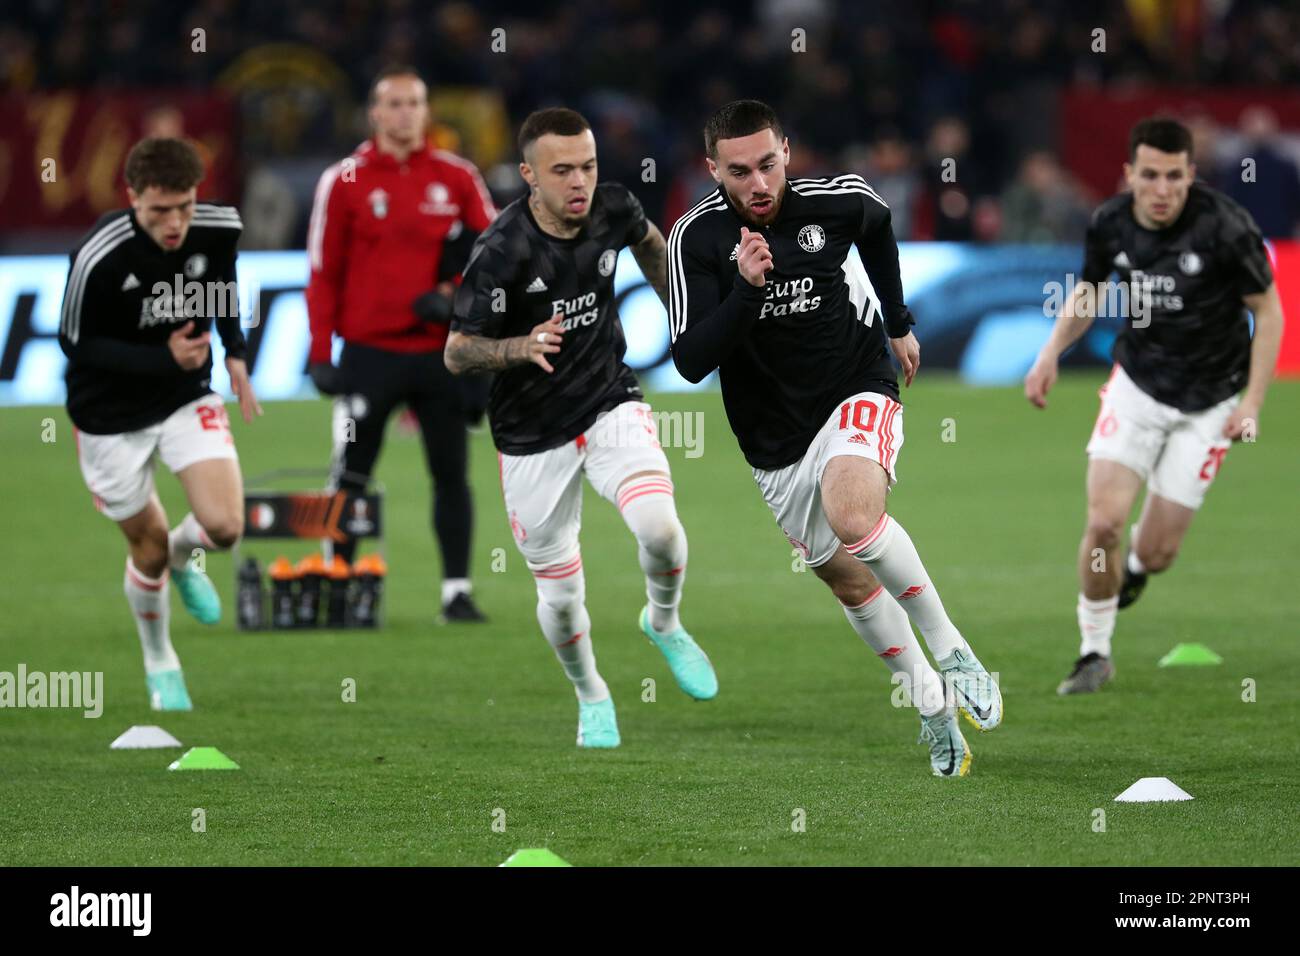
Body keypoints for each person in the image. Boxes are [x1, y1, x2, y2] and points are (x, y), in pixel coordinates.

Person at [668, 100, 1001, 778]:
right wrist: (746, 290)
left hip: (856, 382)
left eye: (768, 163)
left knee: (854, 516)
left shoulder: (838, 201)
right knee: (849, 583)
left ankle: (953, 647)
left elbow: (878, 229)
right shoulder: (696, 240)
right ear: (713, 170)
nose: (759, 183)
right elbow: (691, 359)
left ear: (787, 151)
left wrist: (900, 322)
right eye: (740, 171)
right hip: (773, 440)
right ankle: (929, 701)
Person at [445, 107, 717, 748]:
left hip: (607, 400)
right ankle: (591, 691)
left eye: (588, 166)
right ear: (529, 176)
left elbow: (651, 243)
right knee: (563, 598)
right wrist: (519, 347)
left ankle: (664, 621)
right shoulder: (501, 250)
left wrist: (683, 313)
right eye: (561, 170)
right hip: (529, 433)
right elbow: (458, 351)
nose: (579, 182)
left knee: (661, 529)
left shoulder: (613, 209)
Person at [1025, 117, 1284, 695]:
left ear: (1191, 175)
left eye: (1174, 176)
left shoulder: (1224, 227)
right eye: (1149, 175)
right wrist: (1049, 355)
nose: (1162, 189)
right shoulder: (1111, 223)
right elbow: (1089, 291)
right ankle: (1094, 650)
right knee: (1103, 522)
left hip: (1211, 402)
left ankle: (1137, 571)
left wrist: (1252, 403)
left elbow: (1268, 311)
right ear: (1129, 175)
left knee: (1160, 552)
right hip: (1137, 386)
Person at [59, 137, 262, 711]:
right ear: (132, 199)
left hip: (181, 397)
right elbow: (72, 341)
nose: (175, 224)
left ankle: (183, 555)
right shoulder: (99, 253)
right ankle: (159, 658)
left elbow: (222, 282)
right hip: (107, 417)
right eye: (160, 211)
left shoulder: (219, 225)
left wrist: (236, 352)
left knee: (224, 527)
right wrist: (160, 358)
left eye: (185, 207)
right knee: (144, 550)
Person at [305, 66, 496, 623]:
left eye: (415, 102)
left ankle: (455, 592)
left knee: (451, 472)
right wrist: (320, 352)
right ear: (375, 113)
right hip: (369, 353)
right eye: (395, 103)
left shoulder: (457, 177)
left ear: (426, 110)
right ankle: (338, 583)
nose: (406, 113)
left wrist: (454, 297)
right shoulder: (343, 180)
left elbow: (495, 258)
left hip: (443, 353)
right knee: (351, 472)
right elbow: (323, 270)